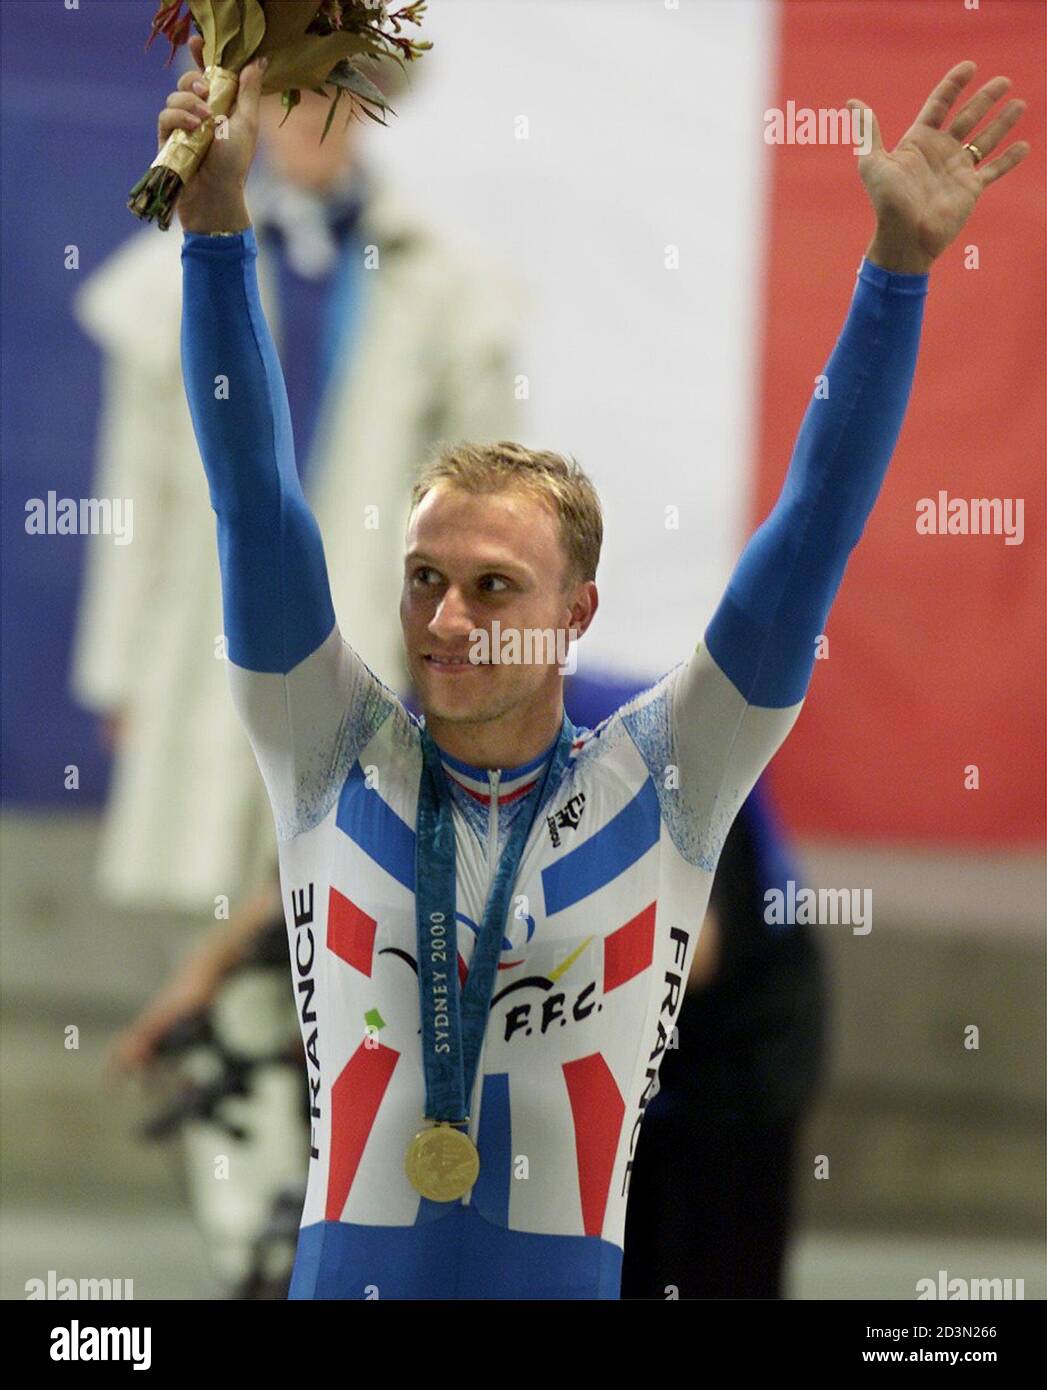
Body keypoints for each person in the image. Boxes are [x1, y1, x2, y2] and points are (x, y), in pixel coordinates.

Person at [167, 46, 1028, 1299]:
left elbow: (814, 529)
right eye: (424, 577)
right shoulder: (329, 747)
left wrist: (895, 272)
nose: (446, 617)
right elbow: (255, 500)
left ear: (578, 614)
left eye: (493, 587)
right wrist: (215, 235)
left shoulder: (667, 782)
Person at [76, 50, 526, 1289]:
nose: (309, 120)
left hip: (373, 666)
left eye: (334, 94)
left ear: (367, 106)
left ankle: (342, 1224)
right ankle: (251, 1243)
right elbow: (140, 489)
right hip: (209, 657)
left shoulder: (445, 284)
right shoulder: (173, 272)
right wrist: (122, 673)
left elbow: (486, 506)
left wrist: (470, 669)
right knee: (220, 946)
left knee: (354, 947)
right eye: (286, 93)